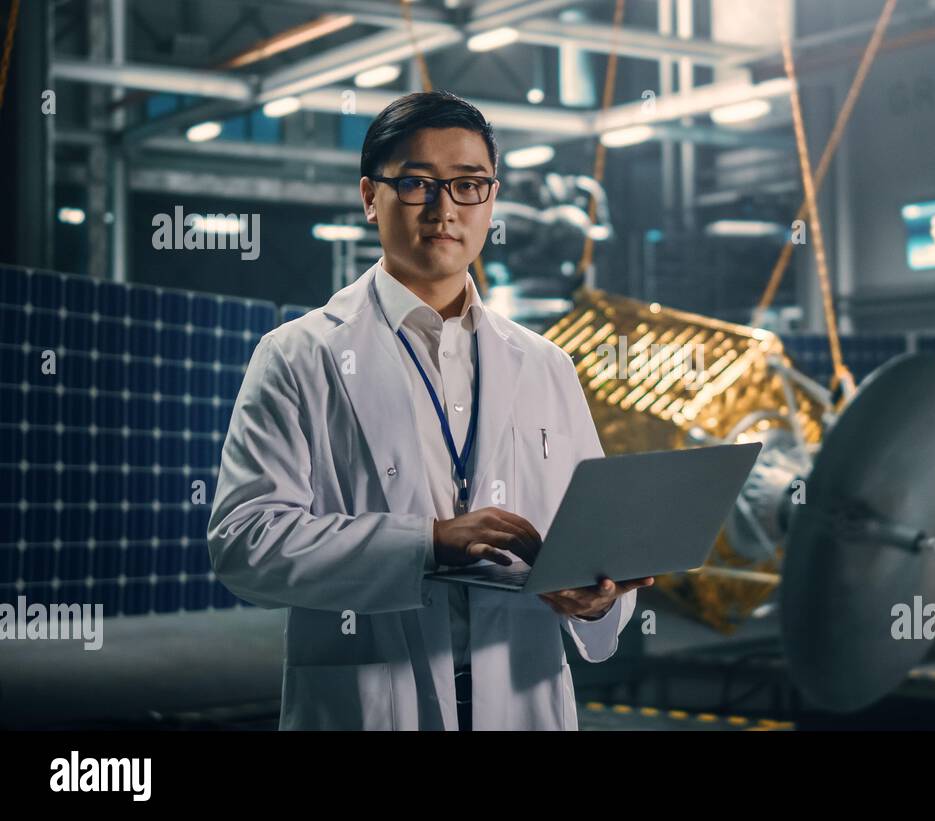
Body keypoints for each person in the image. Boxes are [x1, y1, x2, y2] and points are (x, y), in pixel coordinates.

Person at [208, 90, 652, 730]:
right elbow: (244, 544)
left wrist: (595, 598)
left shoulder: (546, 364)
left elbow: (584, 537)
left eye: (469, 185)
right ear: (370, 198)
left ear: (491, 199)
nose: (445, 208)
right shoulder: (299, 355)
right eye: (417, 183)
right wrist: (429, 543)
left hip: (522, 693)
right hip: (371, 700)